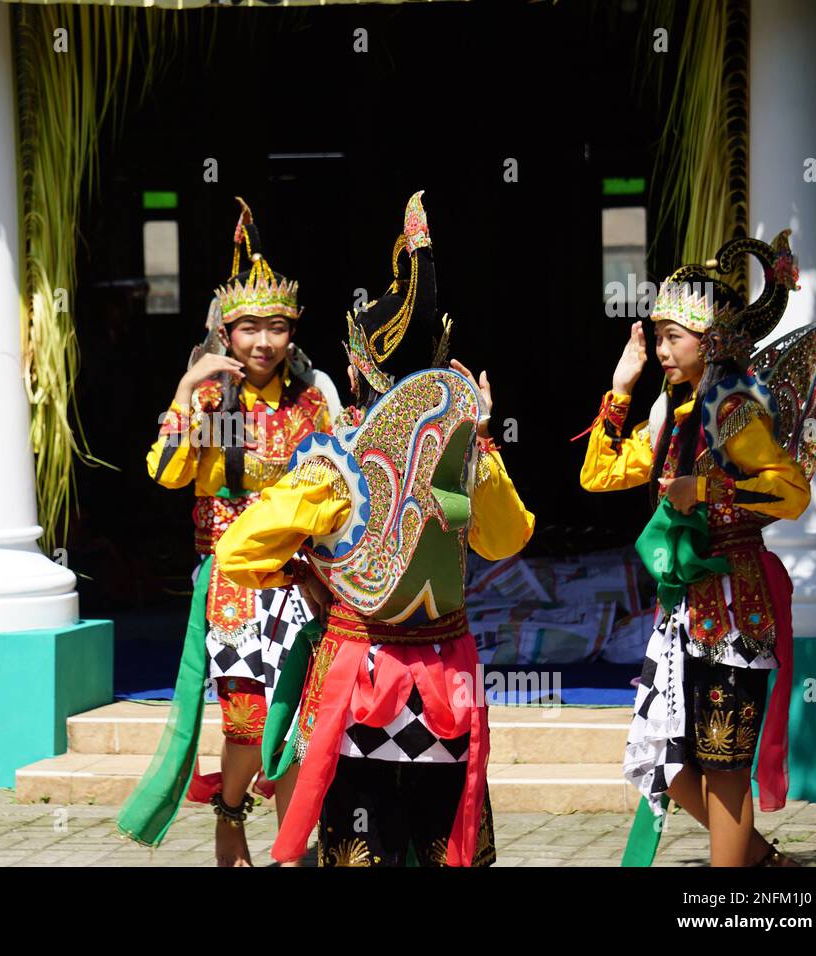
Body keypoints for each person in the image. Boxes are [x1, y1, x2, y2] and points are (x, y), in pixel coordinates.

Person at [216, 191, 535, 866]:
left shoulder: (337, 464)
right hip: (445, 683)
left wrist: (303, 571)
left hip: (357, 686)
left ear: (359, 366)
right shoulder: (469, 454)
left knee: (361, 848)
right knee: (440, 843)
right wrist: (481, 435)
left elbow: (238, 550)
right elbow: (508, 540)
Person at [578, 232, 816, 866]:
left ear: (709, 341)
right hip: (684, 615)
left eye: (671, 338)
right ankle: (766, 865)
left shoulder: (736, 410)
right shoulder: (670, 413)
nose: (660, 350)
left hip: (735, 609)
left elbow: (790, 492)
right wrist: (621, 387)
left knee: (723, 768)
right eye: (656, 338)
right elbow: (598, 474)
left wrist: (705, 487)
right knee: (665, 763)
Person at [116, 199, 331, 866]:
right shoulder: (210, 402)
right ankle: (232, 809)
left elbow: (335, 491)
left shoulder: (312, 403)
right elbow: (168, 472)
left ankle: (293, 846)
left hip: (298, 583)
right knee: (245, 721)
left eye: (276, 328)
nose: (263, 342)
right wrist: (187, 388)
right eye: (247, 330)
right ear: (226, 334)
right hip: (234, 585)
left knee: (296, 718)